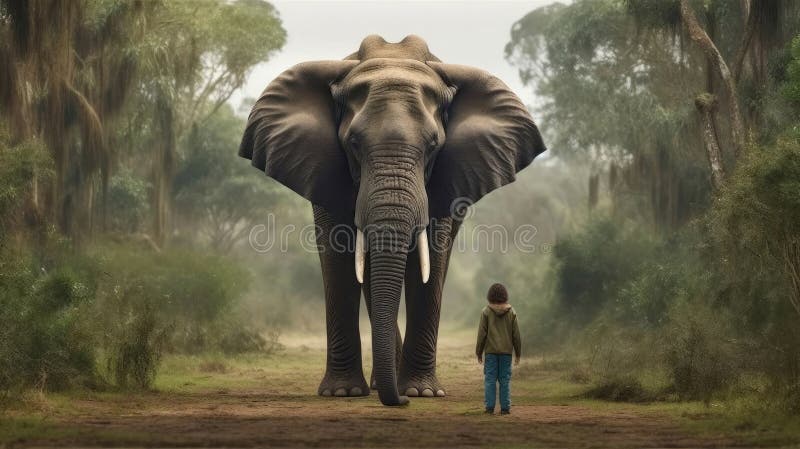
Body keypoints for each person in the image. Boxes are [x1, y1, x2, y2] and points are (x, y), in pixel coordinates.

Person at [475, 283, 521, 415]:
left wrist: (478, 352)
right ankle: (505, 408)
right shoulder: (512, 312)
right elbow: (516, 335)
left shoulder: (486, 312)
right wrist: (518, 353)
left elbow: (481, 334)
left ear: (490, 295)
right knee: (505, 380)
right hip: (506, 353)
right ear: (505, 295)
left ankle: (489, 408)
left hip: (491, 353)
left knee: (490, 379)